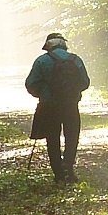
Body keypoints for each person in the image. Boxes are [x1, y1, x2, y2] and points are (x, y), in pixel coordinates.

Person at [25, 31, 91, 184]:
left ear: (48, 45)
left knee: (52, 139)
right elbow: (85, 82)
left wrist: (43, 94)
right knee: (72, 137)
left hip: (49, 106)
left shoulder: (41, 61)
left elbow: (30, 83)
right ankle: (68, 167)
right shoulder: (75, 60)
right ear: (63, 44)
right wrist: (72, 93)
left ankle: (59, 174)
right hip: (71, 105)